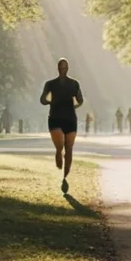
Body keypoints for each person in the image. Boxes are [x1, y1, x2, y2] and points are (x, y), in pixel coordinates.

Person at [40, 58, 83, 194]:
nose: (63, 69)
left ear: (68, 68)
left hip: (70, 118)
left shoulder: (74, 84)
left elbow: (80, 100)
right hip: (55, 118)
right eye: (61, 67)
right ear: (58, 68)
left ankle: (65, 177)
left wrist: (72, 106)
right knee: (60, 144)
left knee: (69, 148)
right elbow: (42, 99)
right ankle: (58, 152)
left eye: (65, 67)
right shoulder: (50, 84)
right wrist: (51, 102)